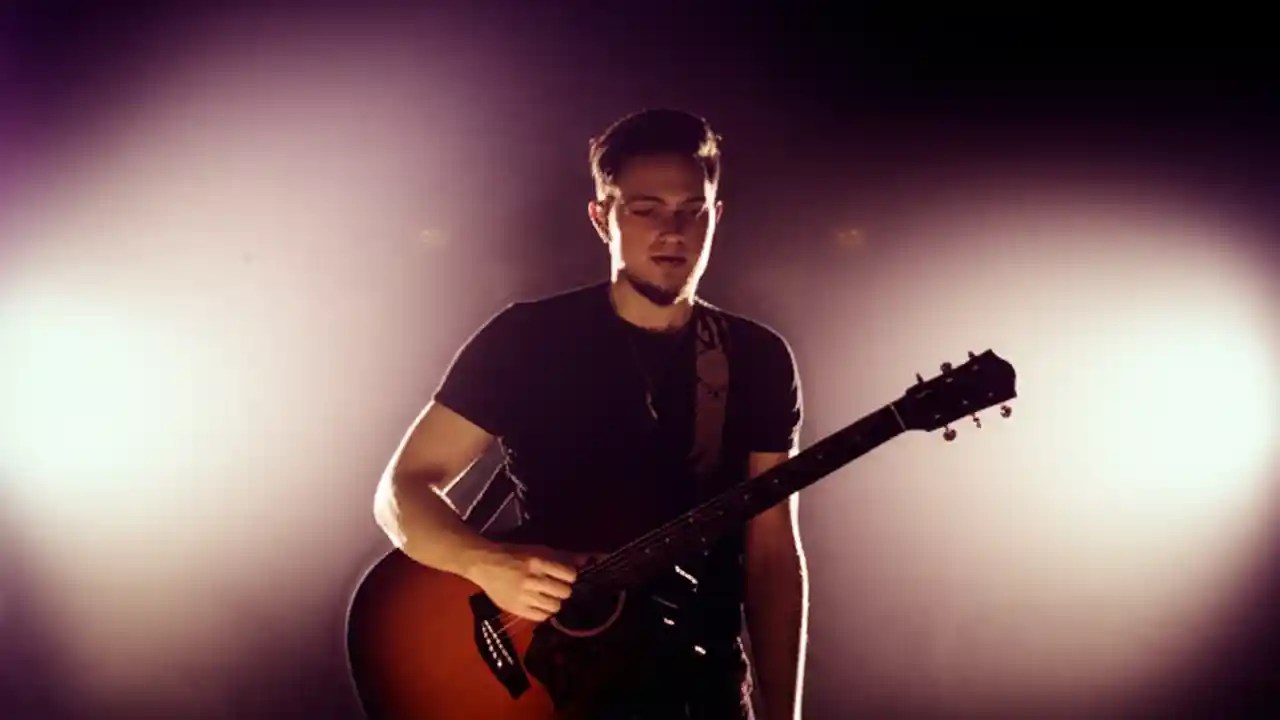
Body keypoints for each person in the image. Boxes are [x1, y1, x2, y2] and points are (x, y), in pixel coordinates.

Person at [373, 108, 808, 719]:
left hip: (700, 684)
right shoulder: (527, 338)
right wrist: (485, 565)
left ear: (717, 216)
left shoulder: (759, 358)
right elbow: (401, 491)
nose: (673, 231)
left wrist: (783, 713)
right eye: (645, 208)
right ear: (601, 217)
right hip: (556, 682)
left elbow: (771, 555)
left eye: (692, 210)